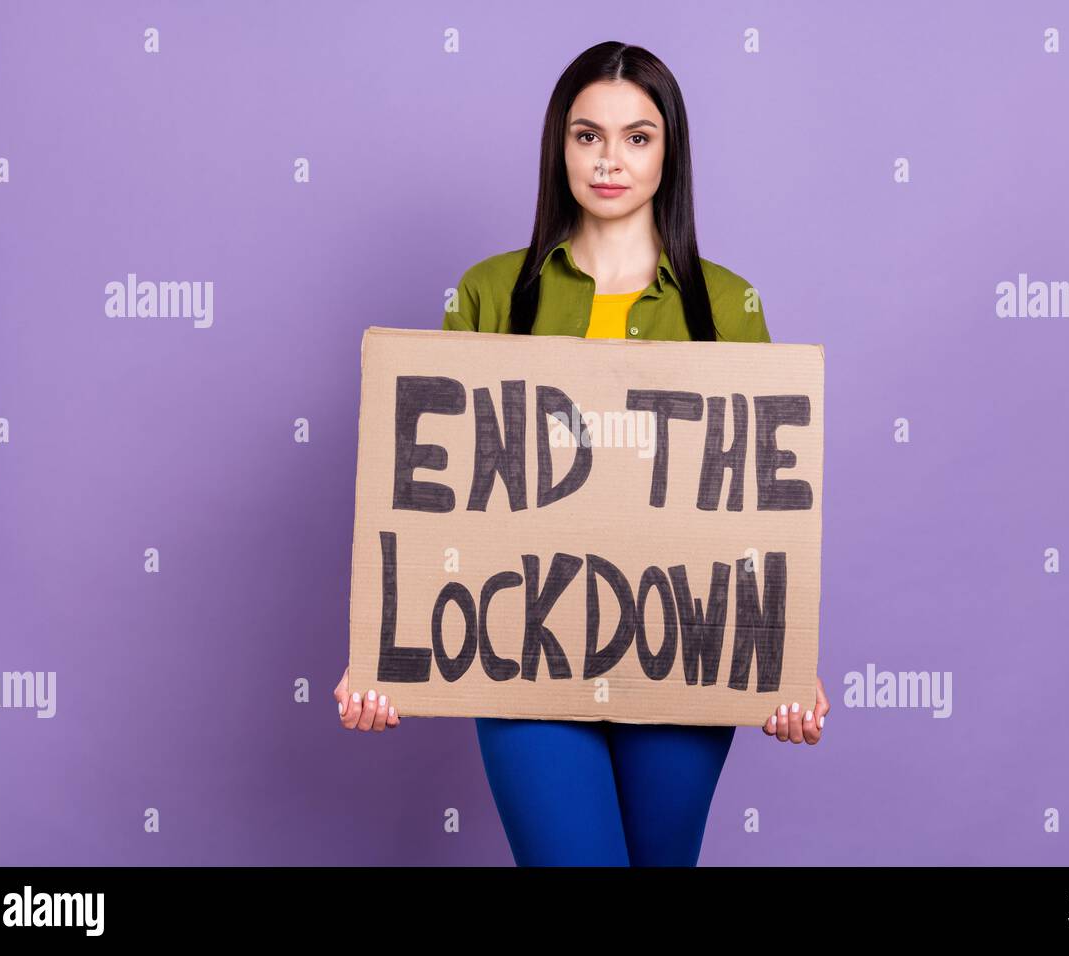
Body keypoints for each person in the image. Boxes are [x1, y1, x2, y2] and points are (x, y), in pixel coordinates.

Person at [333, 41, 829, 866]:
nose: (610, 160)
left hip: (684, 661)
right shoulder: (489, 292)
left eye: (638, 137)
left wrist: (785, 656)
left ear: (670, 154)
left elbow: (761, 503)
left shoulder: (729, 304)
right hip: (524, 656)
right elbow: (431, 496)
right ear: (558, 147)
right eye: (587, 135)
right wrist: (383, 649)